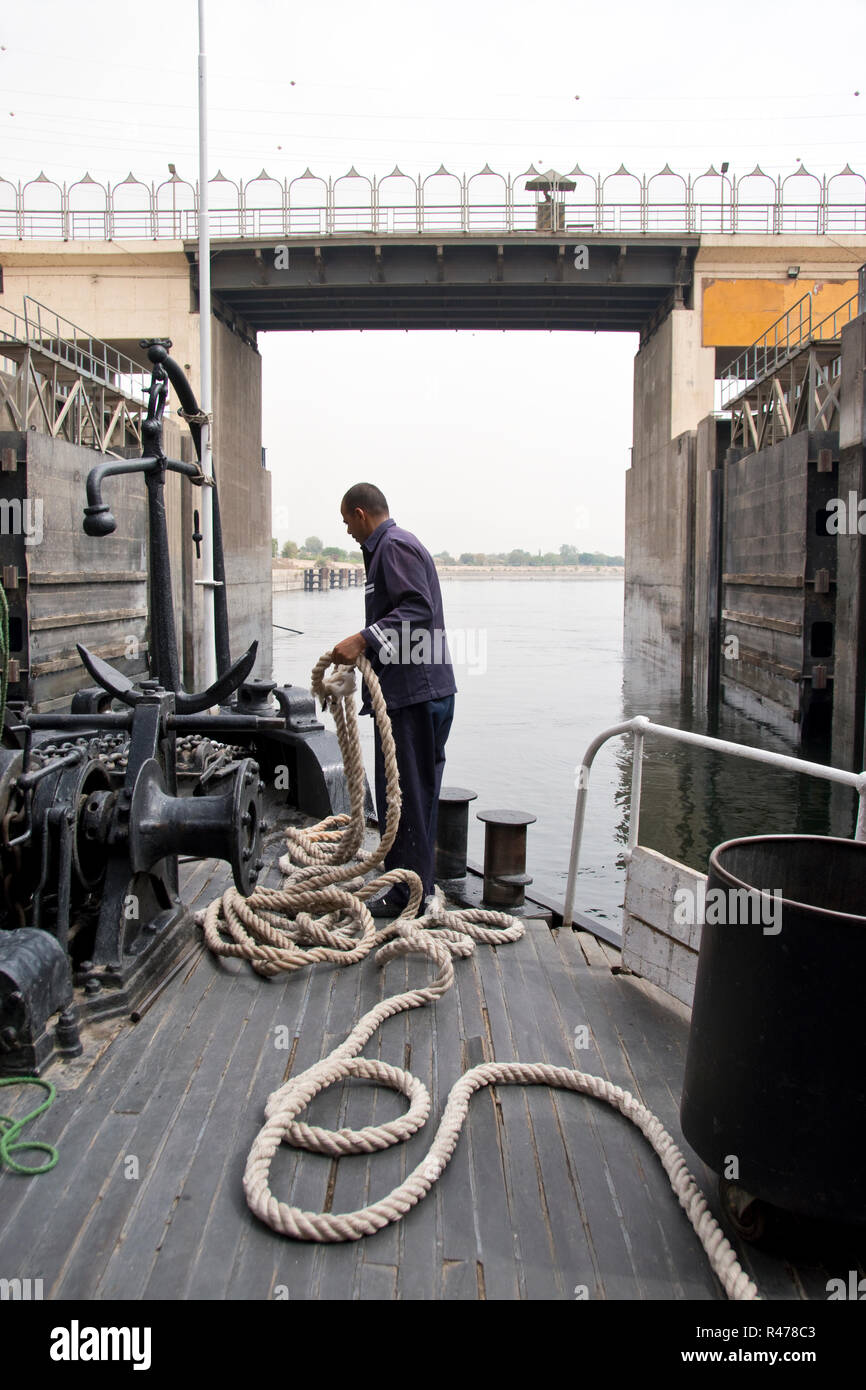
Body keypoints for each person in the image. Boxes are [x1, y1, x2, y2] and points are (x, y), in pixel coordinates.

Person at [331, 483, 456, 917]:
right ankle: (420, 885)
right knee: (415, 793)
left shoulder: (394, 547)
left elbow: (416, 610)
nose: (345, 529)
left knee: (401, 794)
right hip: (421, 690)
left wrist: (362, 639)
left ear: (361, 513)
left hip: (415, 695)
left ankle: (408, 895)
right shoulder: (392, 548)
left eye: (346, 519)